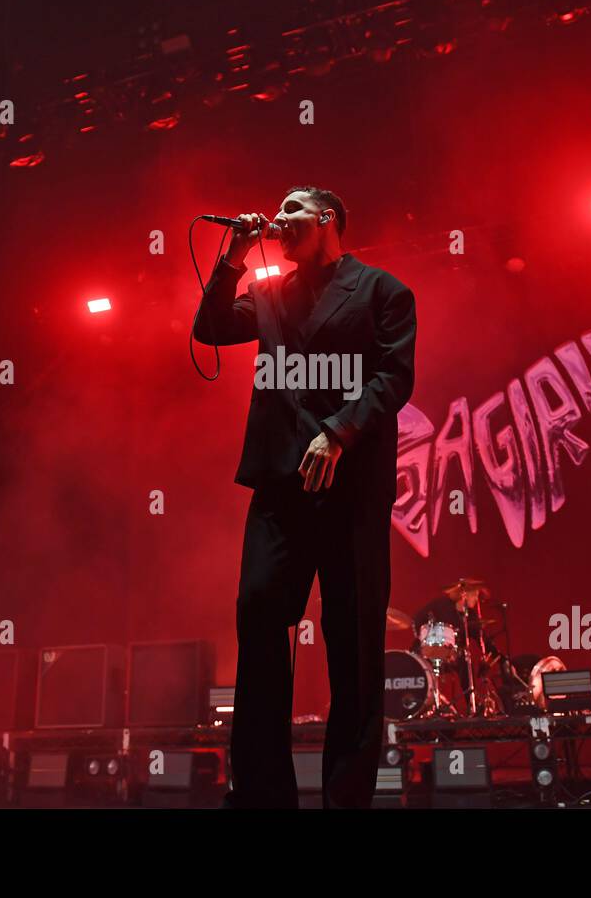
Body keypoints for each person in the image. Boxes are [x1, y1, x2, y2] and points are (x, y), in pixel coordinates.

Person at [194, 185, 416, 807]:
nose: (280, 219)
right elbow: (208, 328)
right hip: (277, 490)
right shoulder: (266, 290)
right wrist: (235, 253)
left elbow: (394, 378)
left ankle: (347, 798)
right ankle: (264, 795)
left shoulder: (383, 292)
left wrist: (339, 434)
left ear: (327, 220)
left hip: (351, 493)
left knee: (353, 641)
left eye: (292, 210)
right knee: (259, 618)